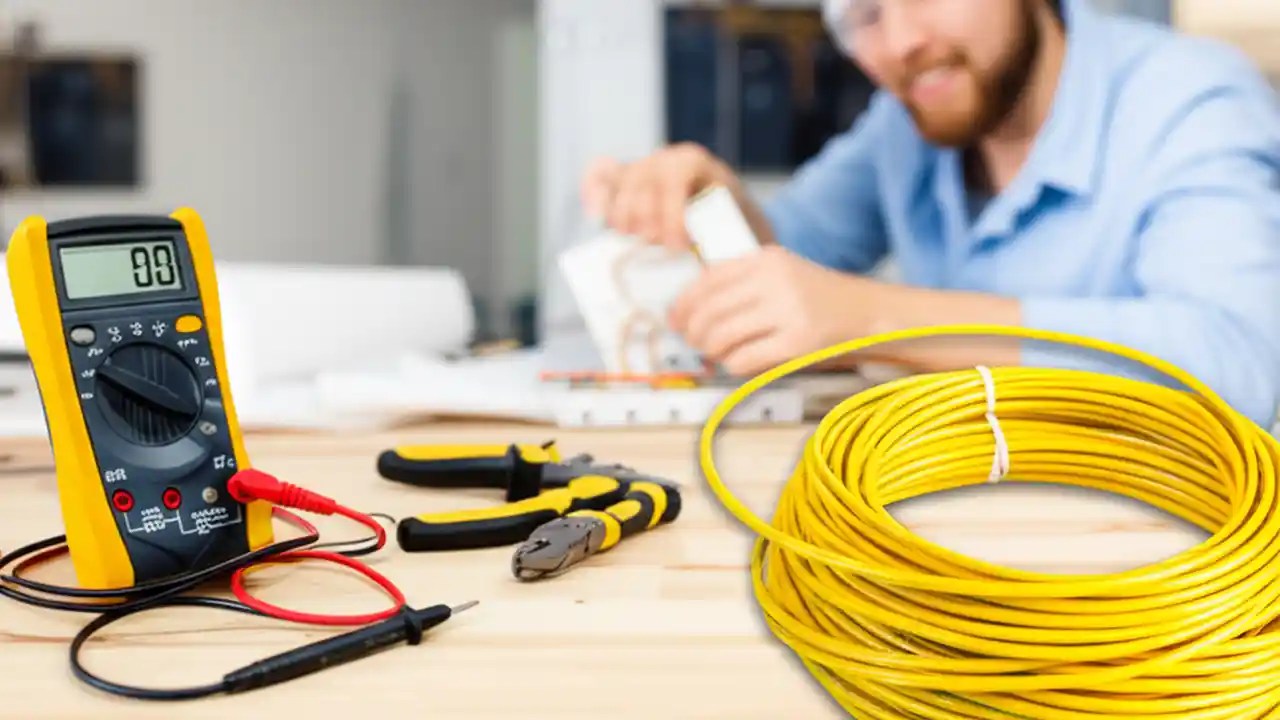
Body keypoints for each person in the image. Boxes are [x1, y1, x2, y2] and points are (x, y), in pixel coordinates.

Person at [580, 0, 1280, 427]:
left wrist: (872, 318)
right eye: (864, 15)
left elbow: (1236, 362)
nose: (900, 42)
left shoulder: (1190, 96)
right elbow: (794, 254)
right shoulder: (904, 126)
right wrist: (710, 202)